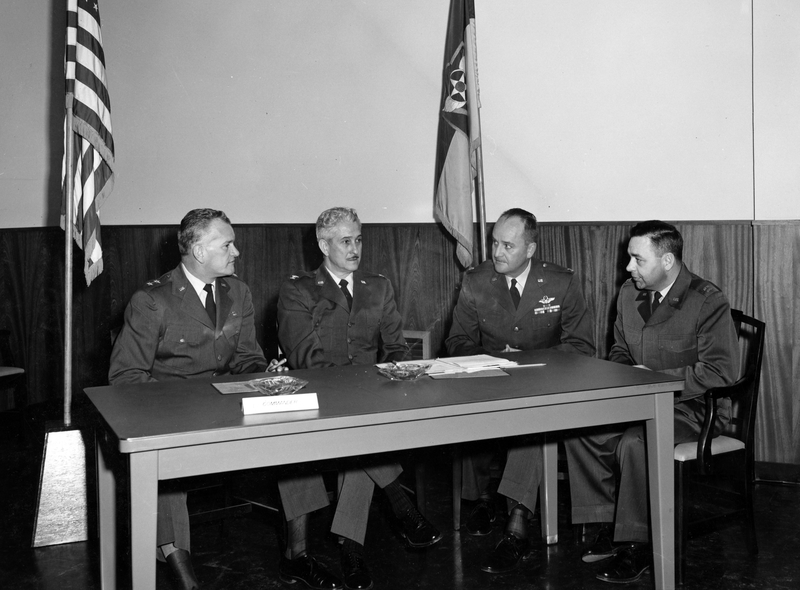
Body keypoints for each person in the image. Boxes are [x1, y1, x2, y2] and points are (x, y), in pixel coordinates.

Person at [110, 209, 341, 590]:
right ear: (199, 251)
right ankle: (184, 576)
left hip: (231, 408)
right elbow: (125, 377)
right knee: (159, 461)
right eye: (227, 244)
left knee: (292, 435)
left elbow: (246, 357)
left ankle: (296, 557)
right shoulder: (152, 300)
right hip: (174, 415)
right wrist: (180, 405)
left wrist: (265, 375)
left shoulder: (239, 292)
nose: (237, 251)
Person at [566, 220, 740, 584]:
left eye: (636, 259)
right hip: (638, 399)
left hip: (694, 409)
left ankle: (638, 543)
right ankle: (607, 524)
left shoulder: (706, 301)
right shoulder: (630, 295)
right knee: (580, 431)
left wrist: (659, 380)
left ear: (667, 261)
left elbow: (721, 372)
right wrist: (620, 380)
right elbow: (618, 351)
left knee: (636, 442)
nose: (628, 268)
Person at [277, 207, 442, 590]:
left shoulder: (378, 286)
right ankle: (396, 510)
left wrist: (398, 372)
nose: (355, 249)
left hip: (370, 398)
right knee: (362, 435)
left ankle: (354, 552)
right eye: (345, 241)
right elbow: (306, 359)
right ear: (323, 245)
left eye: (359, 239)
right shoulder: (297, 289)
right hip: (319, 398)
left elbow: (396, 347)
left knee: (361, 433)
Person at [446, 208, 595, 573]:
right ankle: (480, 497)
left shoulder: (561, 282)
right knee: (467, 406)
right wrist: (493, 358)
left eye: (507, 245)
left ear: (529, 250)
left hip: (546, 387)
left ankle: (517, 522)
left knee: (533, 424)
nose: (496, 252)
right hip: (490, 382)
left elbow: (582, 347)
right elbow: (456, 341)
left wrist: (528, 360)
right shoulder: (476, 280)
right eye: (494, 243)